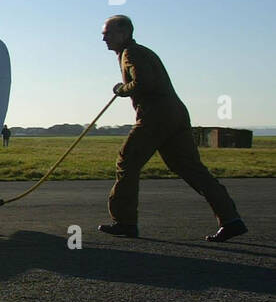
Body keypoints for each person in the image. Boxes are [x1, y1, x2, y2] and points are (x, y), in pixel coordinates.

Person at [98, 15, 245, 241]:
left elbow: (144, 83)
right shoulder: (140, 52)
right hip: (175, 114)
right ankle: (231, 219)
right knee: (190, 168)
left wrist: (122, 89)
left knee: (127, 161)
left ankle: (124, 222)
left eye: (107, 33)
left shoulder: (131, 53)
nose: (103, 38)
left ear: (124, 33)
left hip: (156, 116)